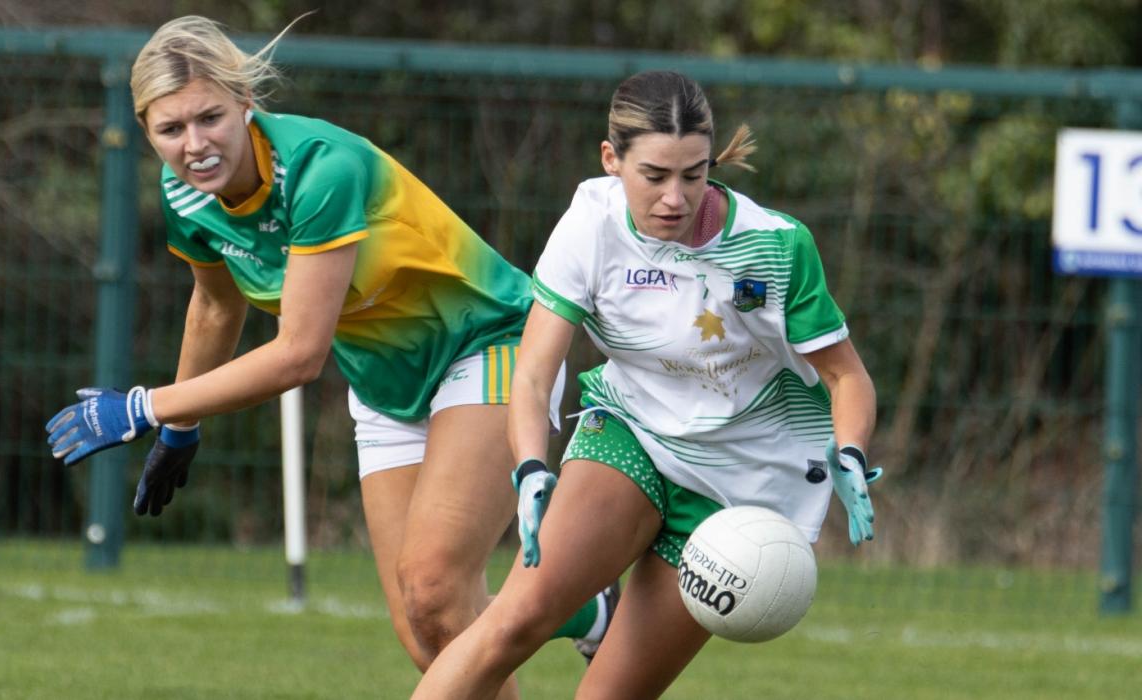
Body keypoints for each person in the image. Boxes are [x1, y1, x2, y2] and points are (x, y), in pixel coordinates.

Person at [43, 15, 616, 695]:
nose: (194, 145)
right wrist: (180, 424)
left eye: (210, 118)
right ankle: (591, 610)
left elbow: (297, 356)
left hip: (486, 342)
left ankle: (580, 604)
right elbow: (217, 305)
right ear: (146, 132)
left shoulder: (320, 170)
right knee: (424, 628)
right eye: (171, 130)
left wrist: (145, 407)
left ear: (246, 105)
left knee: (435, 588)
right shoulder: (185, 194)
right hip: (383, 380)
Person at [411, 70, 882, 700]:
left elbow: (846, 376)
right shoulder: (590, 226)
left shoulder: (774, 247)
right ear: (611, 159)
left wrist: (849, 448)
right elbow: (532, 373)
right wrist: (528, 468)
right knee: (510, 624)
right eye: (654, 176)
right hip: (631, 432)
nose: (675, 198)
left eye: (694, 174)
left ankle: (602, 619)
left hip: (741, 488)